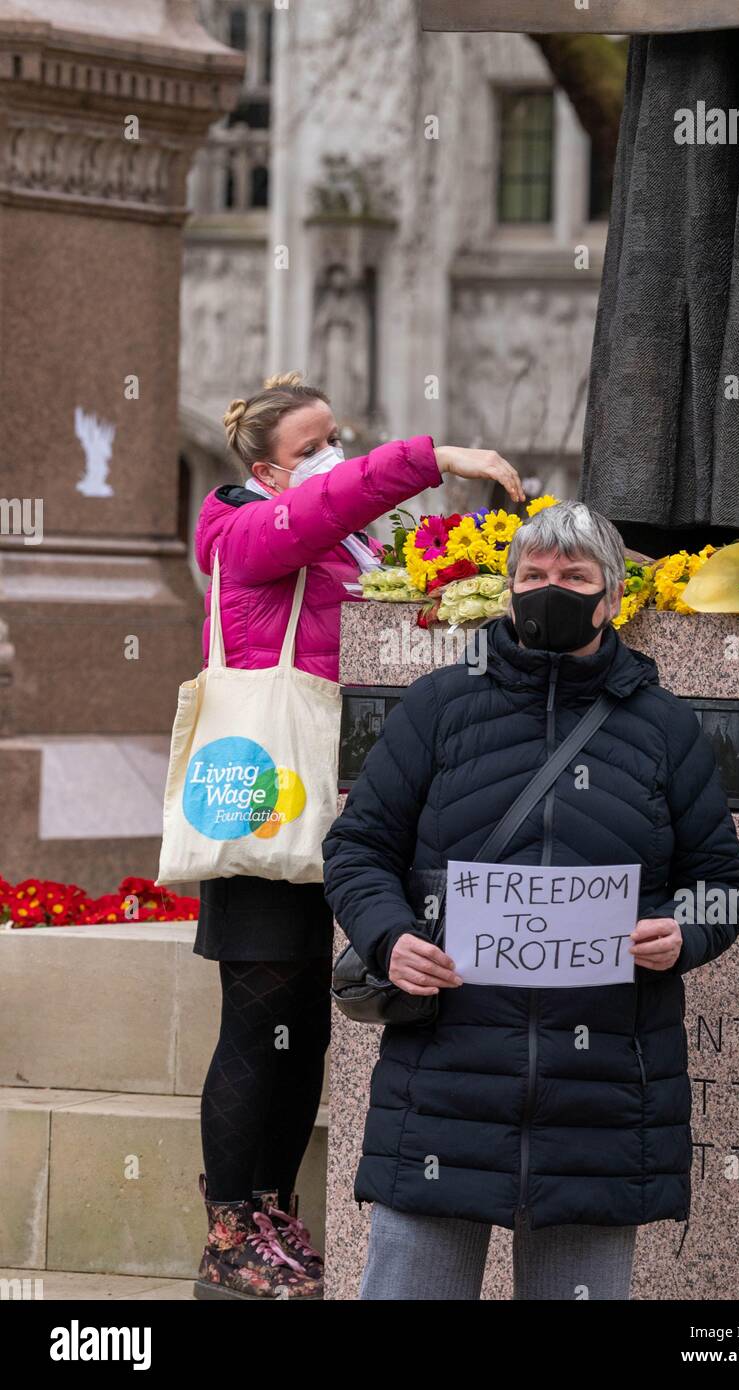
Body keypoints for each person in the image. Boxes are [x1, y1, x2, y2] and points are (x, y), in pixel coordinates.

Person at [322, 501, 739, 1301]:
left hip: (597, 1102)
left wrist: (684, 934)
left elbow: (726, 884)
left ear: (612, 596)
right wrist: (388, 939)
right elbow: (358, 848)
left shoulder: (663, 729)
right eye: (533, 576)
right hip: (445, 1083)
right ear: (509, 587)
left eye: (573, 576)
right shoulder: (442, 706)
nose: (548, 589)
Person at [192, 370, 524, 1300]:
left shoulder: (341, 537)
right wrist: (434, 458)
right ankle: (227, 1234)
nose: (330, 456)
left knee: (304, 1027)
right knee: (256, 1026)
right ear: (265, 469)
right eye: (310, 448)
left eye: (337, 437)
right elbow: (317, 511)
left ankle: (271, 1212)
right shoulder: (238, 524)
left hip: (329, 818)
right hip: (262, 807)